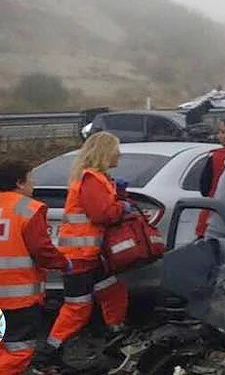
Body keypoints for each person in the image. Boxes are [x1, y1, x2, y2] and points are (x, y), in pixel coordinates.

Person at [44, 132, 132, 359]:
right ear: (105, 152)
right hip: (80, 257)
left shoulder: (96, 178)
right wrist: (121, 206)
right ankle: (52, 349)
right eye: (116, 149)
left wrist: (118, 195)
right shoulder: (91, 179)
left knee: (112, 290)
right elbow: (102, 214)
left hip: (90, 255)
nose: (119, 154)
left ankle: (116, 334)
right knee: (78, 308)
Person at [0, 160, 70, 374]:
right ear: (20, 183)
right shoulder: (28, 208)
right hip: (18, 298)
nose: (33, 184)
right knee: (19, 352)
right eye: (31, 179)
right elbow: (42, 250)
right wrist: (63, 264)